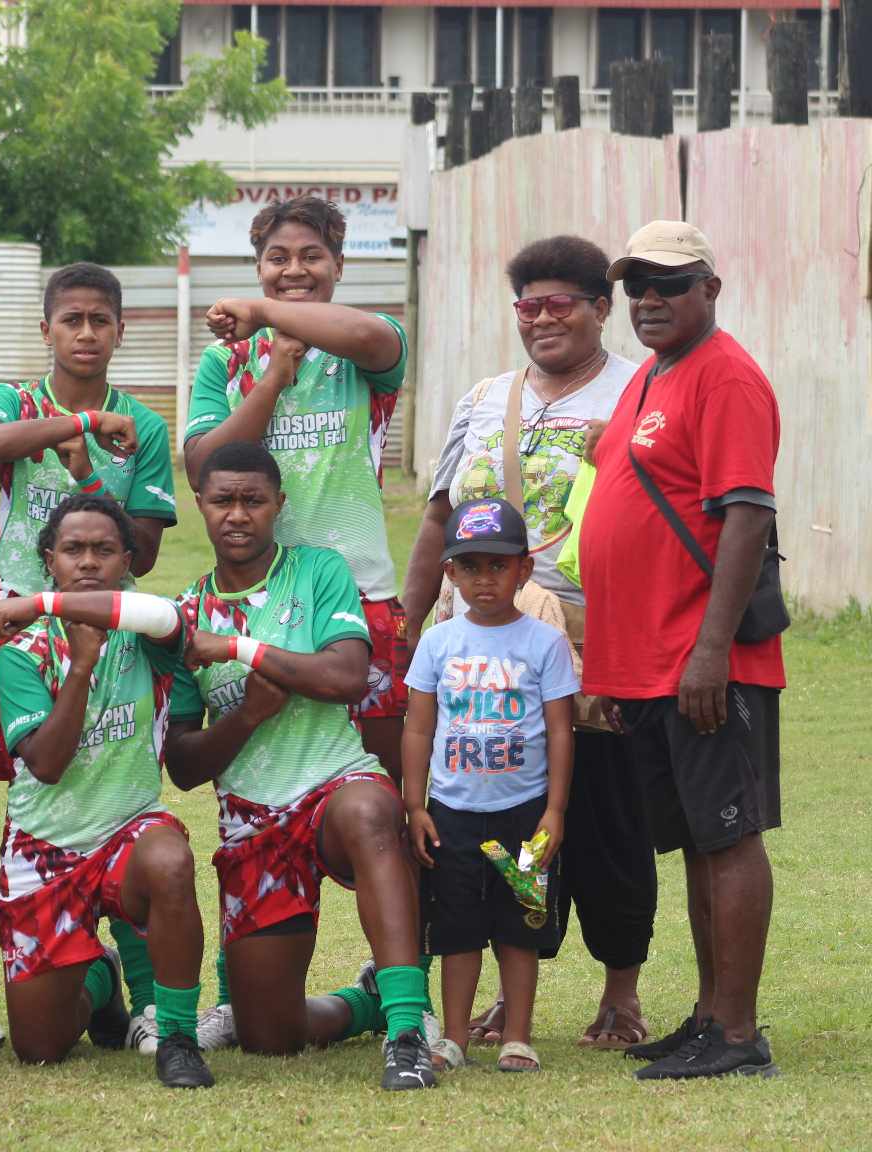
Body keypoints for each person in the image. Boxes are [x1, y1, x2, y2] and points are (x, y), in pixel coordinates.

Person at [401, 236, 657, 1051]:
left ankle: (621, 994)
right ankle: (513, 1008)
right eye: (529, 306)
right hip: (479, 654)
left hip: (601, 652)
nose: (543, 319)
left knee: (608, 826)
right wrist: (410, 628)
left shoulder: (638, 391)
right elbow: (439, 517)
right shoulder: (484, 399)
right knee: (495, 831)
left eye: (561, 304)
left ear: (600, 309)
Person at [580, 221, 783, 1081]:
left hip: (703, 661)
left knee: (729, 837)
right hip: (650, 660)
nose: (649, 299)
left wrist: (707, 653)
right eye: (637, 286)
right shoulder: (656, 377)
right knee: (701, 840)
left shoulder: (726, 376)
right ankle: (707, 1017)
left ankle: (736, 1034)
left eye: (669, 282)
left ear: (711, 287)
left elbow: (747, 513)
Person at [165, 442, 434, 1091]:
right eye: (222, 500)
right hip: (255, 821)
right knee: (270, 1036)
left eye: (252, 500)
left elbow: (347, 675)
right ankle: (364, 1003)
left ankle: (407, 1030)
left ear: (277, 505)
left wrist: (239, 648)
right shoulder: (183, 617)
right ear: (200, 505)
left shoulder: (316, 572)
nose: (237, 514)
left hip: (333, 789)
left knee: (373, 808)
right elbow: (182, 764)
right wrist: (248, 715)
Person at [0, 263, 178, 1040]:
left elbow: (147, 553)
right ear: (47, 328)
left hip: (109, 634)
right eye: (71, 320)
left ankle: (149, 985)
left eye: (101, 320)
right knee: (6, 793)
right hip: (14, 635)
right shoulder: (15, 401)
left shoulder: (147, 426)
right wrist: (81, 429)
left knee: (114, 786)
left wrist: (95, 479)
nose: (86, 334)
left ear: (121, 331)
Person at [0, 494, 213, 1090]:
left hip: (128, 830)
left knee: (170, 859)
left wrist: (38, 602)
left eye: (104, 549)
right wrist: (80, 668)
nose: (88, 561)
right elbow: (49, 764)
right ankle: (101, 978)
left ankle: (178, 1035)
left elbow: (169, 623)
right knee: (39, 1047)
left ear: (128, 560)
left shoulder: (146, 629)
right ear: (49, 557)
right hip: (45, 845)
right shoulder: (20, 654)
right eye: (73, 549)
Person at [184, 196, 409, 786]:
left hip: (362, 591)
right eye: (277, 258)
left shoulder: (364, 347)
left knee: (385, 792)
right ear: (258, 266)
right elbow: (202, 467)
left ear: (340, 266)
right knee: (275, 780)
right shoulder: (223, 361)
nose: (294, 271)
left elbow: (371, 336)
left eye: (312, 256)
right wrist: (274, 378)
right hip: (258, 600)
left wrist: (266, 313)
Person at [404, 497, 578, 1074]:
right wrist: (414, 804)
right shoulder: (438, 643)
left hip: (523, 814)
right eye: (470, 566)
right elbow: (420, 725)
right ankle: (453, 1037)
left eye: (498, 566)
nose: (485, 579)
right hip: (451, 812)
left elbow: (559, 731)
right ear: (449, 573)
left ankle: (517, 1036)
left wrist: (554, 811)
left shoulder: (544, 644)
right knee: (456, 930)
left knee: (518, 926)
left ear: (523, 571)